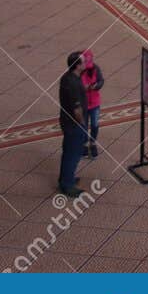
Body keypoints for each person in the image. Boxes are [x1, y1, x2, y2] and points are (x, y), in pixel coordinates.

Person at [57, 51, 86, 197]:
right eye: (83, 62)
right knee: (72, 154)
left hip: (66, 121)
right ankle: (67, 184)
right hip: (74, 125)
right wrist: (82, 123)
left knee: (68, 152)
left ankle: (65, 178)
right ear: (78, 66)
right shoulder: (73, 83)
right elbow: (77, 109)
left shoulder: (67, 77)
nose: (85, 63)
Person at [79, 49, 103, 158]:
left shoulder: (96, 68)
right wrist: (82, 88)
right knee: (83, 125)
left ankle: (92, 143)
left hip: (95, 103)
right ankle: (84, 144)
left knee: (94, 124)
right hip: (83, 104)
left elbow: (101, 81)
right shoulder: (78, 71)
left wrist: (96, 86)